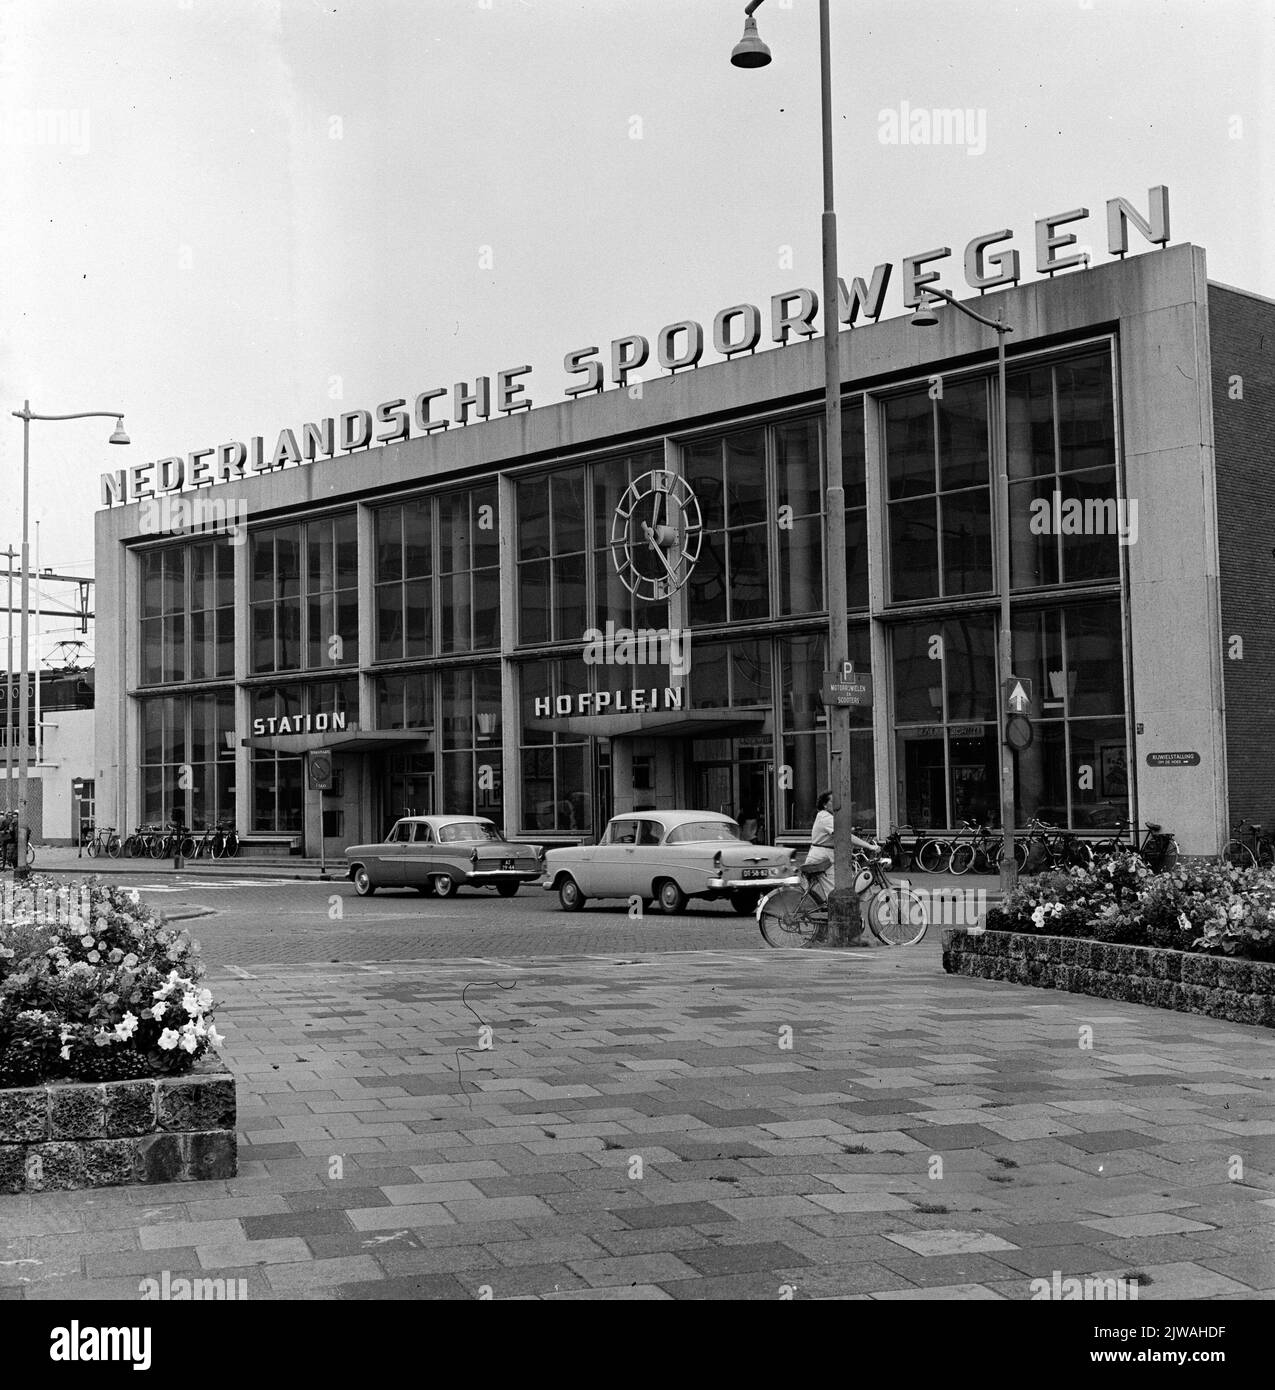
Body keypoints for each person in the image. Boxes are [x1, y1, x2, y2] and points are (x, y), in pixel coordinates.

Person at [804, 791, 877, 903]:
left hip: (827, 858)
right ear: (825, 804)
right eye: (833, 802)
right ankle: (837, 916)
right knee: (837, 894)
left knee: (845, 886)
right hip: (822, 860)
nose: (836, 805)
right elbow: (844, 835)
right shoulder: (825, 817)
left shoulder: (830, 817)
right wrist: (869, 846)